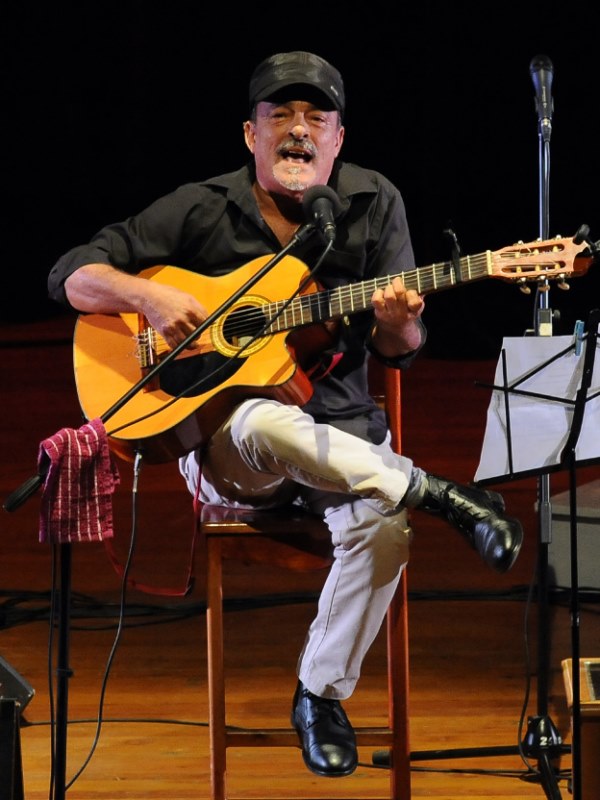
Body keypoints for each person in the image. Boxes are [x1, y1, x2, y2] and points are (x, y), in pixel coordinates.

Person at [48, 51, 523, 779]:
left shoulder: (375, 203)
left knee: (384, 525)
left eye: (316, 118)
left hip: (346, 437)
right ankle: (437, 490)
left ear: (338, 139)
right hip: (230, 454)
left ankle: (318, 696)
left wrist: (400, 322)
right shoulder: (203, 205)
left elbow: (402, 351)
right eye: (281, 116)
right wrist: (148, 297)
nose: (299, 129)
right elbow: (72, 274)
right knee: (263, 421)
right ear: (251, 134)